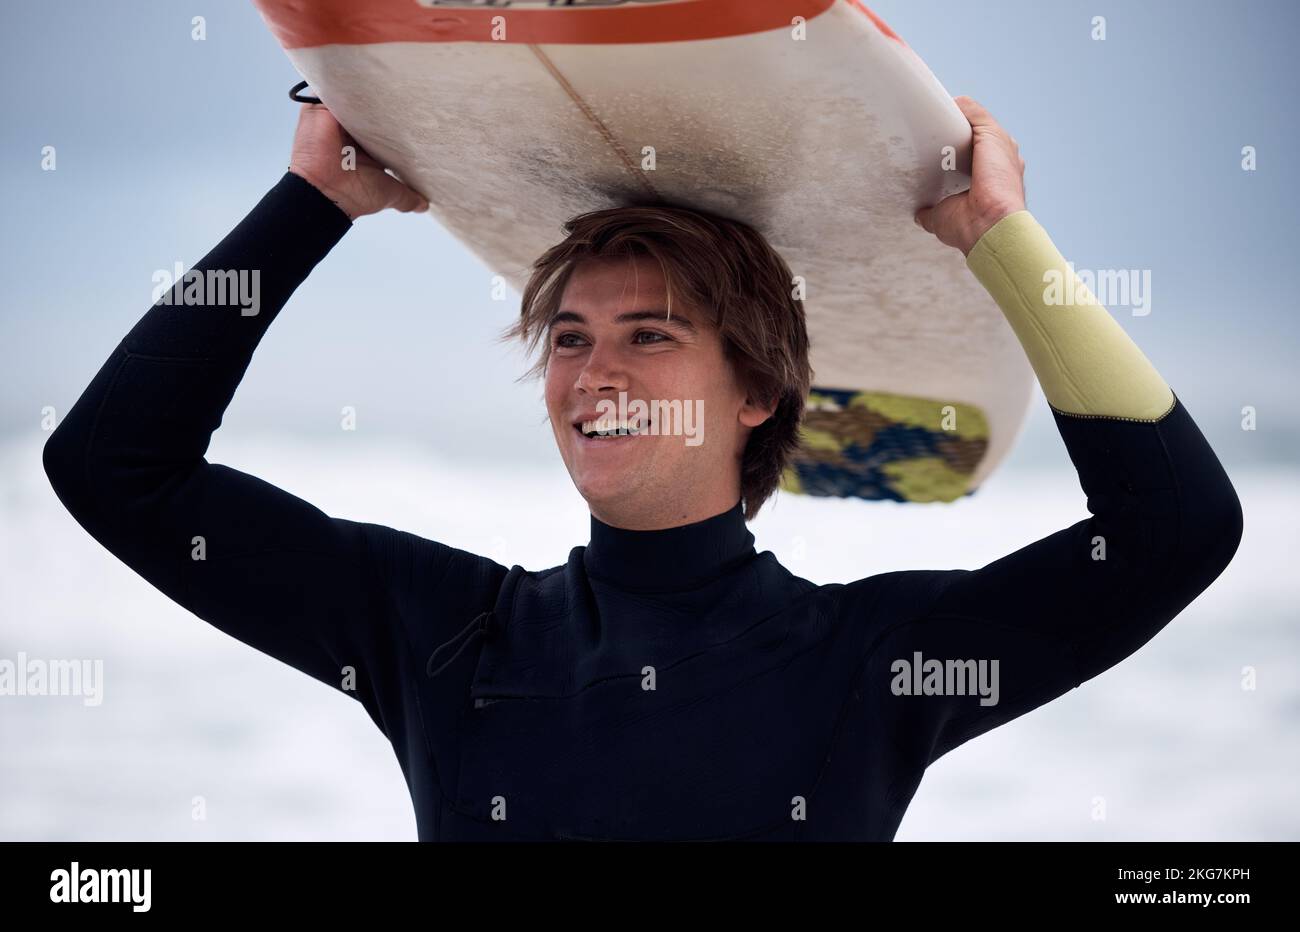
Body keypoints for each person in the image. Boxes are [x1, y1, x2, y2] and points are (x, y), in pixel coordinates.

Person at [42, 98, 1242, 841]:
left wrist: (1002, 242)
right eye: (569, 338)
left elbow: (1173, 531)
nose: (591, 374)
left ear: (757, 392)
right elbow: (112, 467)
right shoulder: (440, 634)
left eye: (649, 334)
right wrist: (309, 202)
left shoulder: (873, 665)